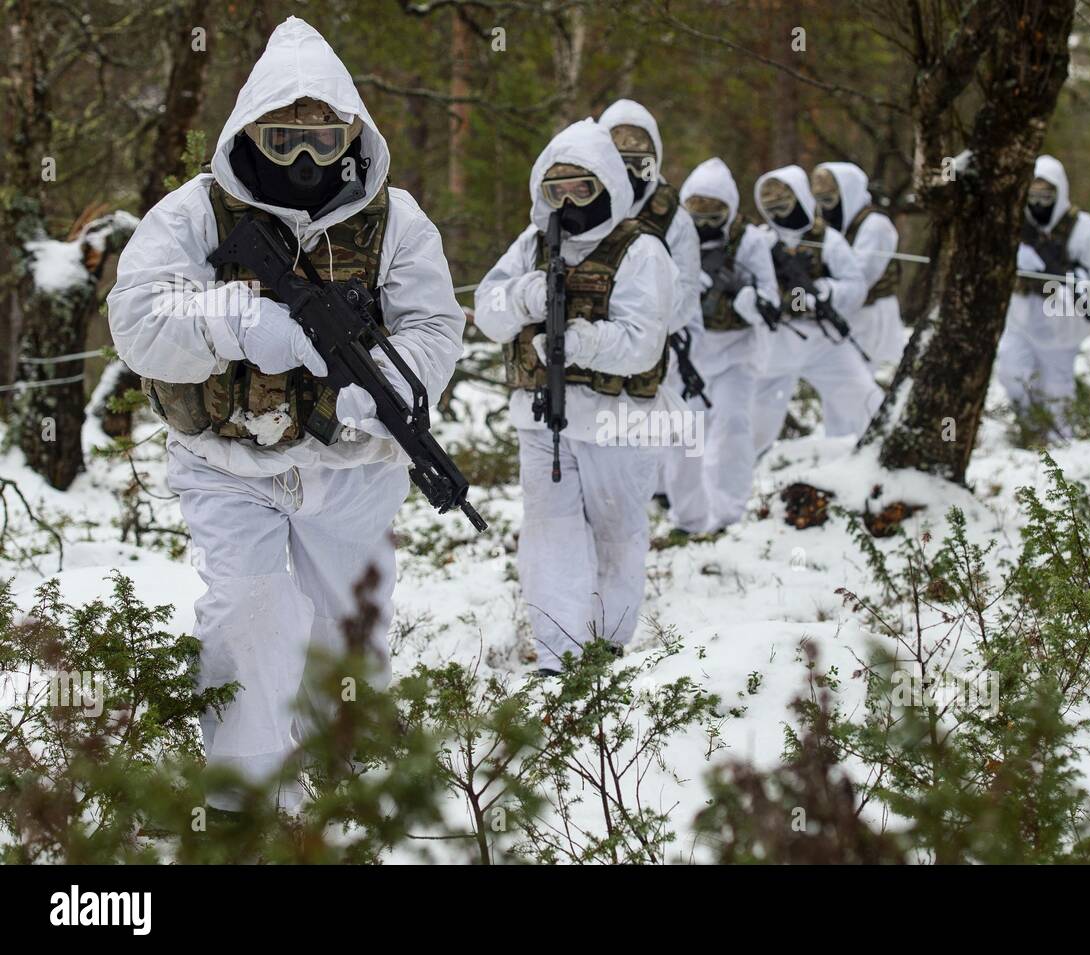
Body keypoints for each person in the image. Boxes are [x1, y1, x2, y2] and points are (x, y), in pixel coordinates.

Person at [107, 17, 466, 810]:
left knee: (348, 630)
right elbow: (135, 322)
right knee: (249, 615)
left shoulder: (397, 221)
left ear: (352, 135)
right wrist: (236, 324)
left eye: (321, 140)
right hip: (230, 467)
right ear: (247, 134)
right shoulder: (195, 215)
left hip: (354, 472)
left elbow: (436, 327)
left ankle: (344, 795)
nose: (304, 160)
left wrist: (399, 398)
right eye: (281, 141)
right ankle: (247, 799)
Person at [474, 119, 679, 676]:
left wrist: (577, 341)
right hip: (542, 419)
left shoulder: (640, 251)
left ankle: (607, 647)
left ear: (608, 185)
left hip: (620, 422)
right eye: (555, 190)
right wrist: (527, 295)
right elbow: (489, 313)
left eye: (581, 189)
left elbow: (642, 344)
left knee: (617, 535)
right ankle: (559, 653)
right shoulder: (532, 244)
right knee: (549, 534)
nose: (567, 202)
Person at [596, 100, 707, 533]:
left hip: (657, 352)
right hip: (592, 352)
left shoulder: (674, 219)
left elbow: (685, 294)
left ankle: (679, 515)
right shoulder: (586, 200)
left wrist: (637, 319)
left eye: (637, 160)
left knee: (662, 437)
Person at [679, 157, 779, 530]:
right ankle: (687, 513)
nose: (704, 224)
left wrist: (747, 300)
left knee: (733, 426)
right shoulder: (677, 236)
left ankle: (729, 511)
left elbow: (771, 297)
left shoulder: (748, 240)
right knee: (686, 436)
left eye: (713, 214)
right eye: (697, 213)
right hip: (690, 353)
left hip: (737, 350)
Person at [750, 165, 876, 456]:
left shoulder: (828, 239)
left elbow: (856, 286)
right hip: (776, 343)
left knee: (866, 404)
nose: (780, 216)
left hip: (824, 341)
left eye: (785, 206)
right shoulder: (761, 241)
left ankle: (876, 467)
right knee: (750, 426)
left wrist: (825, 292)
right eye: (772, 210)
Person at [996, 154, 1090, 438]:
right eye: (1033, 195)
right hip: (1020, 315)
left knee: (1056, 388)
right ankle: (1031, 429)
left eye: (1046, 196)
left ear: (1059, 193)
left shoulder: (1083, 227)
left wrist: (1071, 282)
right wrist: (1017, 260)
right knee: (1011, 372)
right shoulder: (1017, 223)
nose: (1038, 203)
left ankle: (1060, 444)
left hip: (1061, 321)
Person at [811, 162, 908, 377]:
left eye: (829, 200)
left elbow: (861, 277)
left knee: (873, 381)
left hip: (875, 317)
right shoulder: (833, 229)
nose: (825, 208)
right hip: (848, 316)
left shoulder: (875, 225)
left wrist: (823, 283)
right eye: (819, 202)